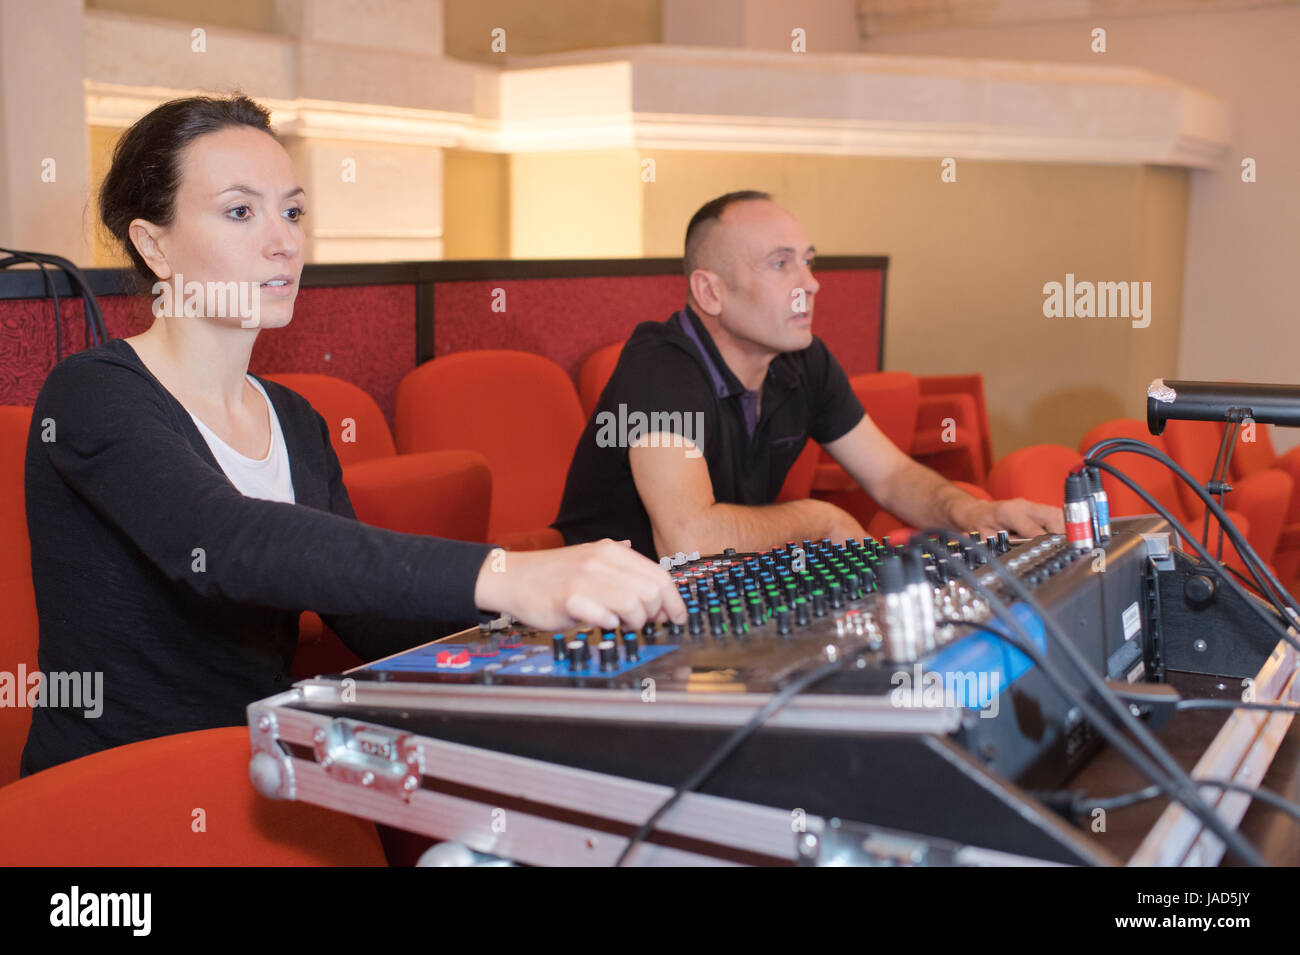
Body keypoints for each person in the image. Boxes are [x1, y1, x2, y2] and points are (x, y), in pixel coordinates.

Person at [20, 95, 684, 777]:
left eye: (294, 211)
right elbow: (224, 543)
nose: (283, 240)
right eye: (241, 212)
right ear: (154, 245)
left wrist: (550, 639)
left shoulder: (297, 420)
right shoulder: (91, 393)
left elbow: (367, 617)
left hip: (259, 771)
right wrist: (511, 575)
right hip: (120, 791)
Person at [553, 190, 1064, 560]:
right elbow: (690, 540)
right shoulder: (659, 369)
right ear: (710, 292)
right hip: (600, 626)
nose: (812, 284)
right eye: (780, 265)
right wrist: (818, 520)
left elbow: (891, 476)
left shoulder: (803, 360)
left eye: (808, 262)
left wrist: (971, 514)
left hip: (715, 597)